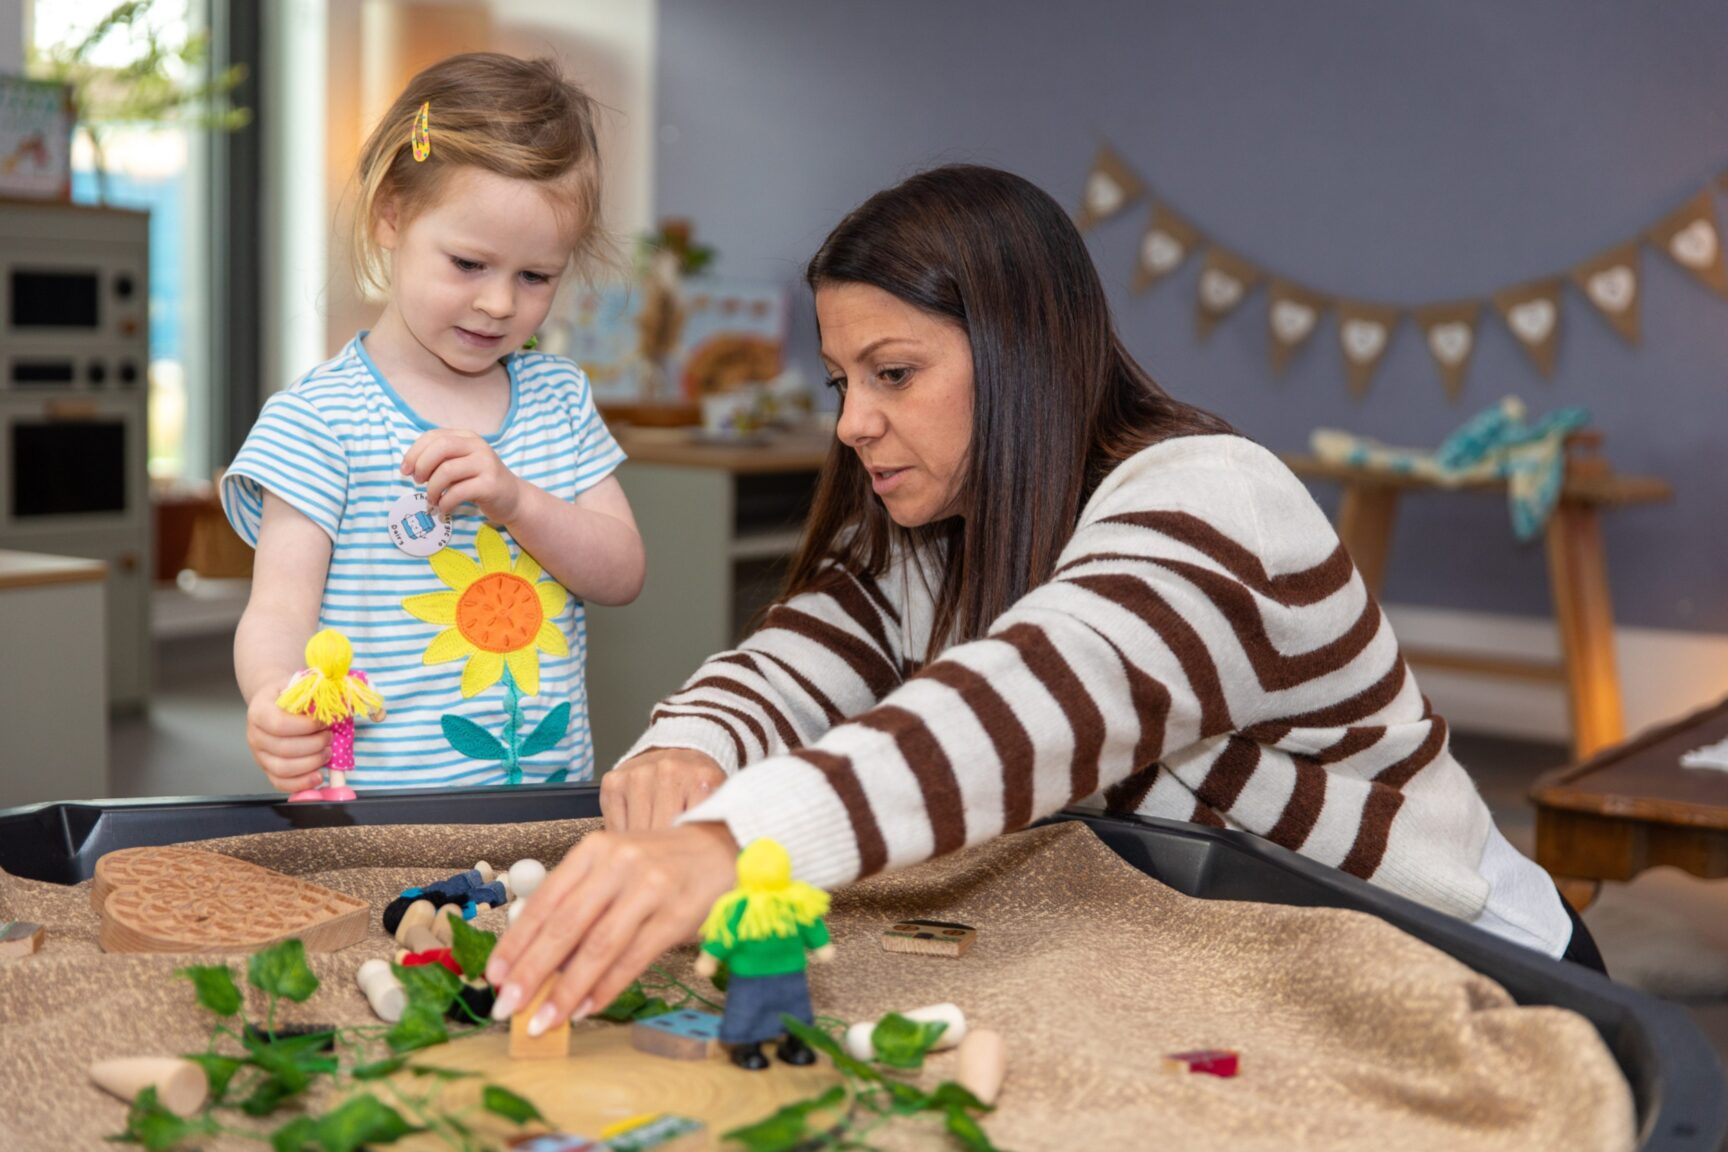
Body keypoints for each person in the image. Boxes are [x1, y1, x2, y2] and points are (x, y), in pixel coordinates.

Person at [486, 164, 1599, 1042]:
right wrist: (690, 748)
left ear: (1020, 353)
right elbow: (790, 661)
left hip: (1471, 965)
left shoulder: (1214, 497)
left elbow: (1037, 701)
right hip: (1244, 956)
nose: (850, 424)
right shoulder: (934, 532)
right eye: (841, 381)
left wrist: (734, 843)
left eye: (893, 373)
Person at [224, 53, 644, 793]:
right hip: (374, 810)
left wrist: (517, 501)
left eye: (535, 277)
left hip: (548, 807)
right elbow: (278, 611)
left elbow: (621, 573)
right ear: (392, 215)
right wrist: (271, 696)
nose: (498, 304)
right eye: (468, 263)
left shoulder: (560, 399)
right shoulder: (318, 419)